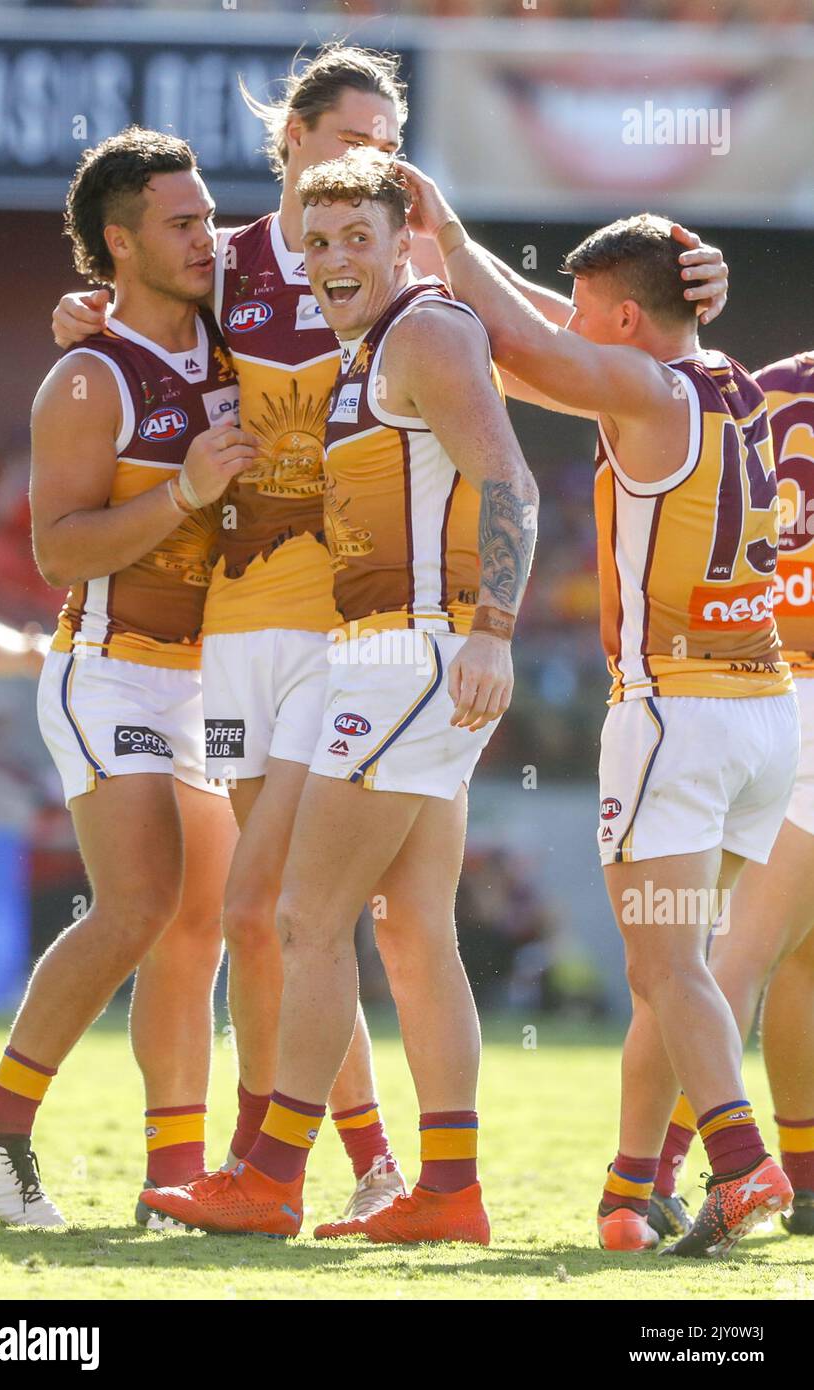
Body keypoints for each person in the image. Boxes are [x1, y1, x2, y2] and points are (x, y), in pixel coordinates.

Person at [397, 162, 800, 1257]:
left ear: (624, 317)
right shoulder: (731, 385)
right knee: (673, 976)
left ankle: (738, 1164)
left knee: (672, 970)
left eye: (585, 306)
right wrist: (464, 258)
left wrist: (446, 229)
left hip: (673, 715)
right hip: (762, 712)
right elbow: (544, 330)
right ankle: (629, 1189)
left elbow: (525, 351)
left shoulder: (646, 391)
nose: (565, 318)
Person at [137, 149, 538, 1244]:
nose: (331, 261)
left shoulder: (425, 330)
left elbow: (510, 477)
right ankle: (447, 1191)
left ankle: (269, 1176)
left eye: (357, 236)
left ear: (402, 235)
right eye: (315, 243)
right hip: (396, 656)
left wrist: (492, 633)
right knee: (413, 934)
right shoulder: (373, 348)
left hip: (408, 659)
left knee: (304, 919)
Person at [0, 127, 259, 1227]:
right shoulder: (87, 374)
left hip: (214, 681)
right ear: (117, 244)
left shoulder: (238, 342)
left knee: (203, 924)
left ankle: (173, 1173)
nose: (207, 237)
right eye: (180, 223)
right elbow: (59, 553)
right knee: (137, 904)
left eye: (210, 216)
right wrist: (181, 493)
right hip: (113, 672)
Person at [653, 349, 814, 1240]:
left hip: (745, 680)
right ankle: (664, 1172)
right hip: (791, 696)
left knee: (792, 952)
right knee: (741, 951)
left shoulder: (763, 382)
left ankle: (801, 1168)